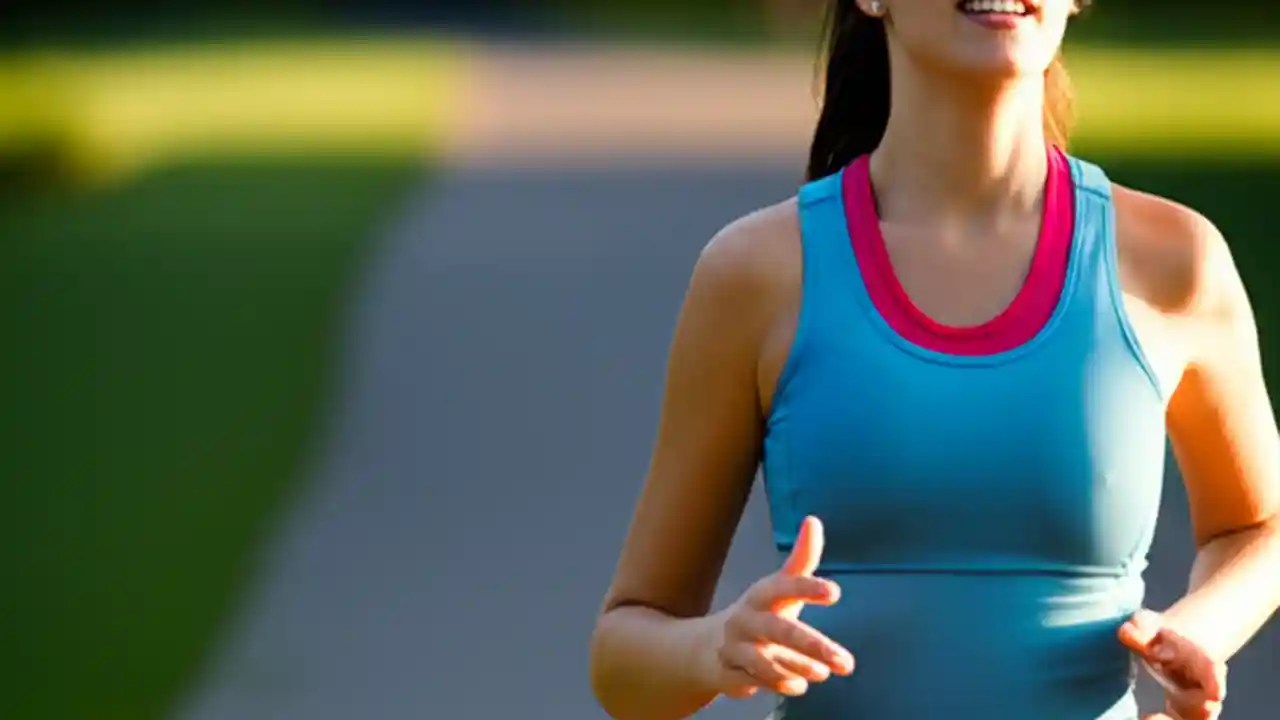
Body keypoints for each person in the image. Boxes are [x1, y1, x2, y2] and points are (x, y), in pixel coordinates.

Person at [588, 1, 1280, 718]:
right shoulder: (757, 275)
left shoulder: (1176, 263)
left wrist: (1195, 634)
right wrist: (715, 648)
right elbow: (623, 653)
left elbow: (1262, 527)